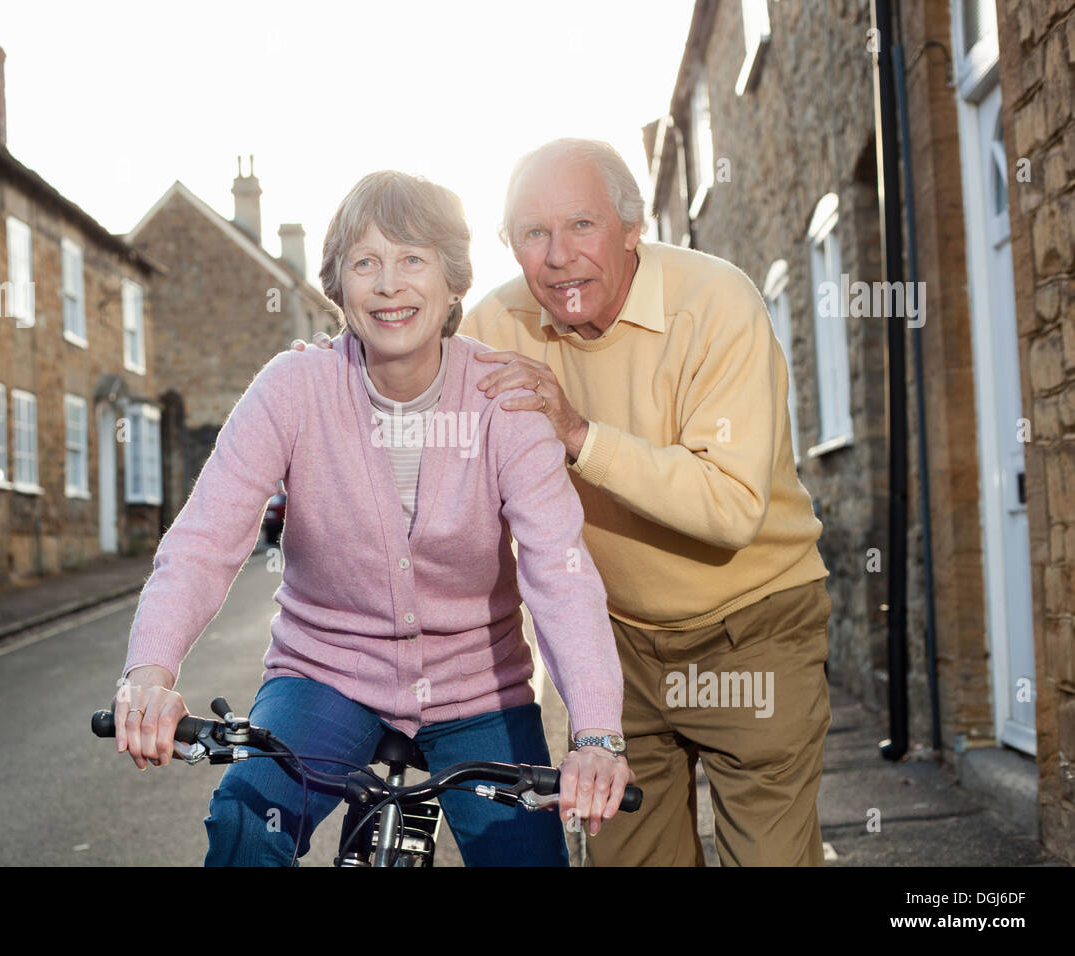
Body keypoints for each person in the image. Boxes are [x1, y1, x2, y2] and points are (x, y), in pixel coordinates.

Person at [113, 170, 631, 866]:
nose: (389, 284)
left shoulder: (505, 402)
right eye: (366, 262)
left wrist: (597, 736)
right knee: (245, 819)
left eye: (413, 259)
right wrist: (149, 673)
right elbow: (205, 541)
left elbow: (559, 574)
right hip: (325, 677)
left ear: (453, 284)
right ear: (339, 287)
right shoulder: (293, 389)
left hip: (479, 688)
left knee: (527, 858)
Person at [461, 138, 833, 866]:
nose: (558, 256)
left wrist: (578, 434)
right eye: (533, 233)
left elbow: (729, 506)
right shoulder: (493, 328)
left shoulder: (715, 302)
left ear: (633, 228)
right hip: (611, 649)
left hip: (752, 629)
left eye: (581, 225)